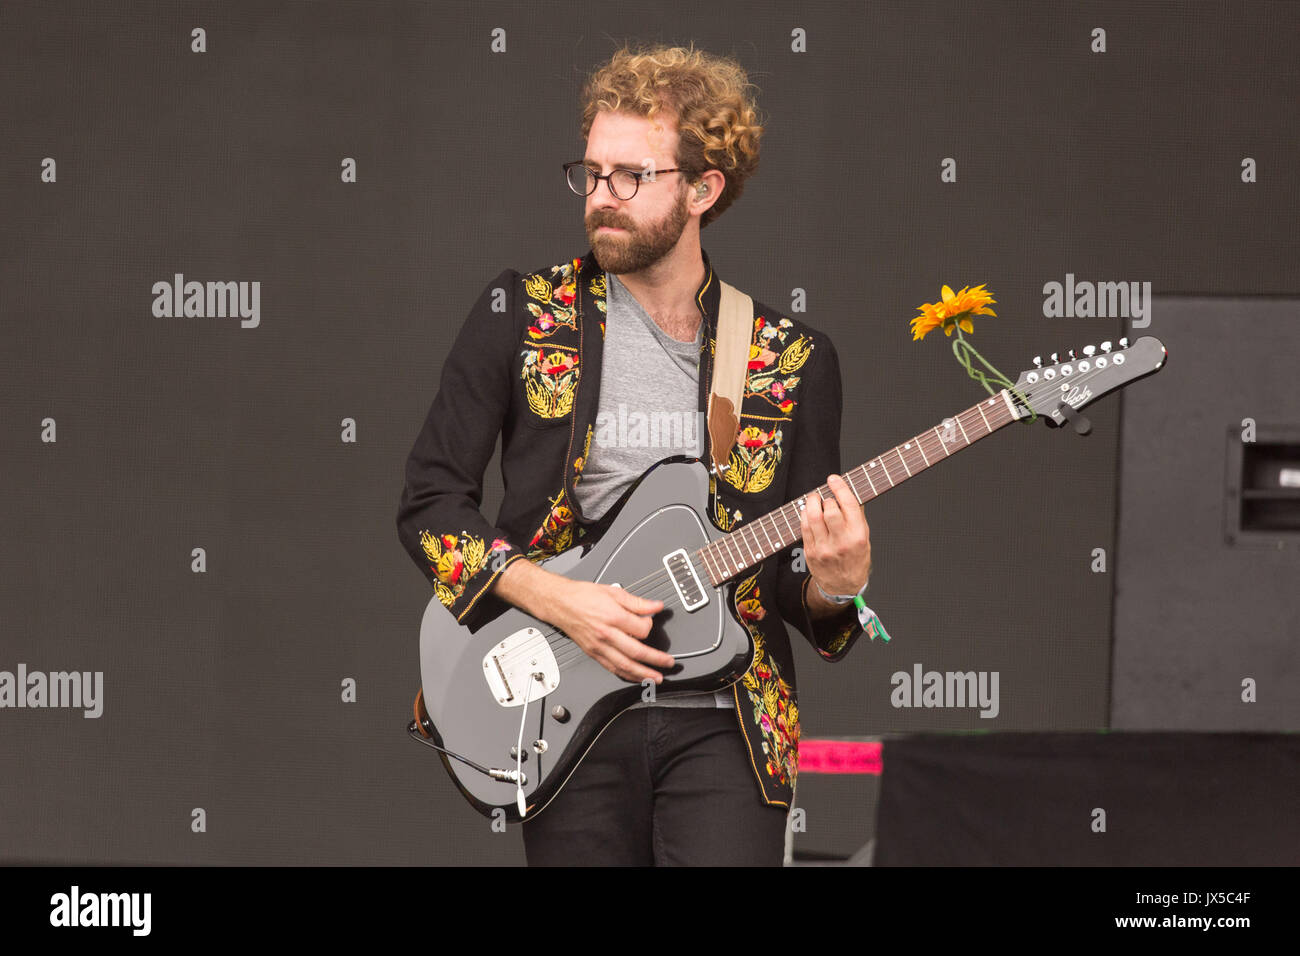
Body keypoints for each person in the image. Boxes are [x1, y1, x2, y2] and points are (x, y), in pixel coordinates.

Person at [396, 43, 873, 866]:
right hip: (565, 707)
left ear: (702, 189)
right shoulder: (525, 313)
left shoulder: (789, 358)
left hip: (727, 716)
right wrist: (553, 596)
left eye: (632, 177)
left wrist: (839, 585)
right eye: (591, 173)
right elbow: (430, 505)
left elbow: (796, 586)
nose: (601, 199)